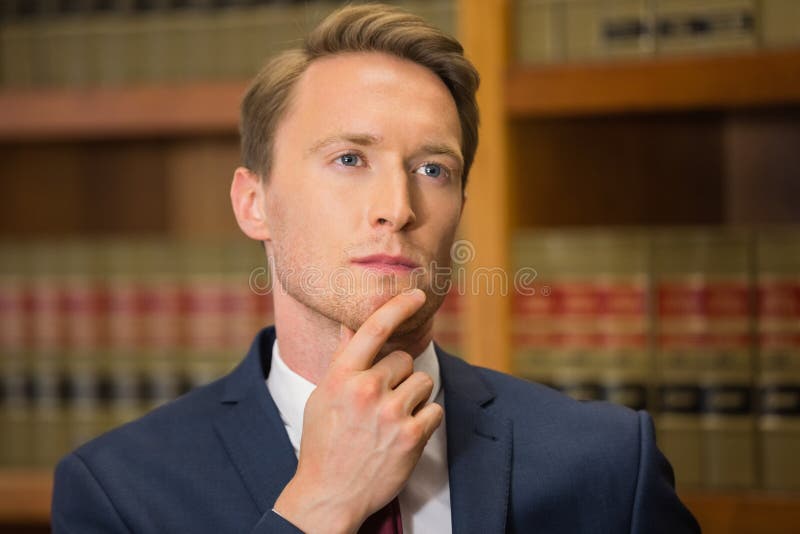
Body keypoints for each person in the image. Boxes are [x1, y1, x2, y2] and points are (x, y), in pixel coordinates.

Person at [52, 4, 700, 533]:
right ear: (255, 205)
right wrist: (319, 506)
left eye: (432, 170)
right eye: (349, 160)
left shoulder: (610, 463)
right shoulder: (116, 491)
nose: (397, 209)